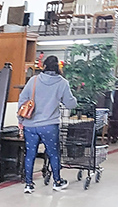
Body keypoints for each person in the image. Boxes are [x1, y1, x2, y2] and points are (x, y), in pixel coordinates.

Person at [18, 55, 77, 194]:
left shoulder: (34, 80)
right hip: (50, 125)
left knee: (30, 154)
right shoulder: (62, 83)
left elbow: (22, 100)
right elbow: (70, 103)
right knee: (53, 153)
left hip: (30, 125)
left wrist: (20, 121)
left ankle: (28, 184)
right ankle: (57, 181)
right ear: (58, 67)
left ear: (44, 66)